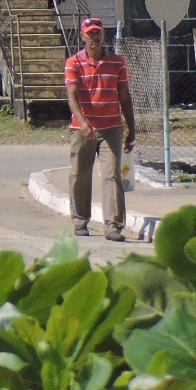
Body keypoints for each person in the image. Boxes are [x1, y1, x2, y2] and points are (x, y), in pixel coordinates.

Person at [65, 16, 135, 241]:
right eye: (90, 33)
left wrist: (131, 128)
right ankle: (80, 220)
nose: (94, 37)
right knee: (79, 174)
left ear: (103, 35)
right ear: (83, 36)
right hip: (82, 129)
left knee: (112, 175)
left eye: (98, 33)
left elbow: (124, 96)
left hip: (111, 128)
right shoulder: (73, 63)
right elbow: (72, 96)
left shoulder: (117, 63)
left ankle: (113, 225)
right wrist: (83, 122)